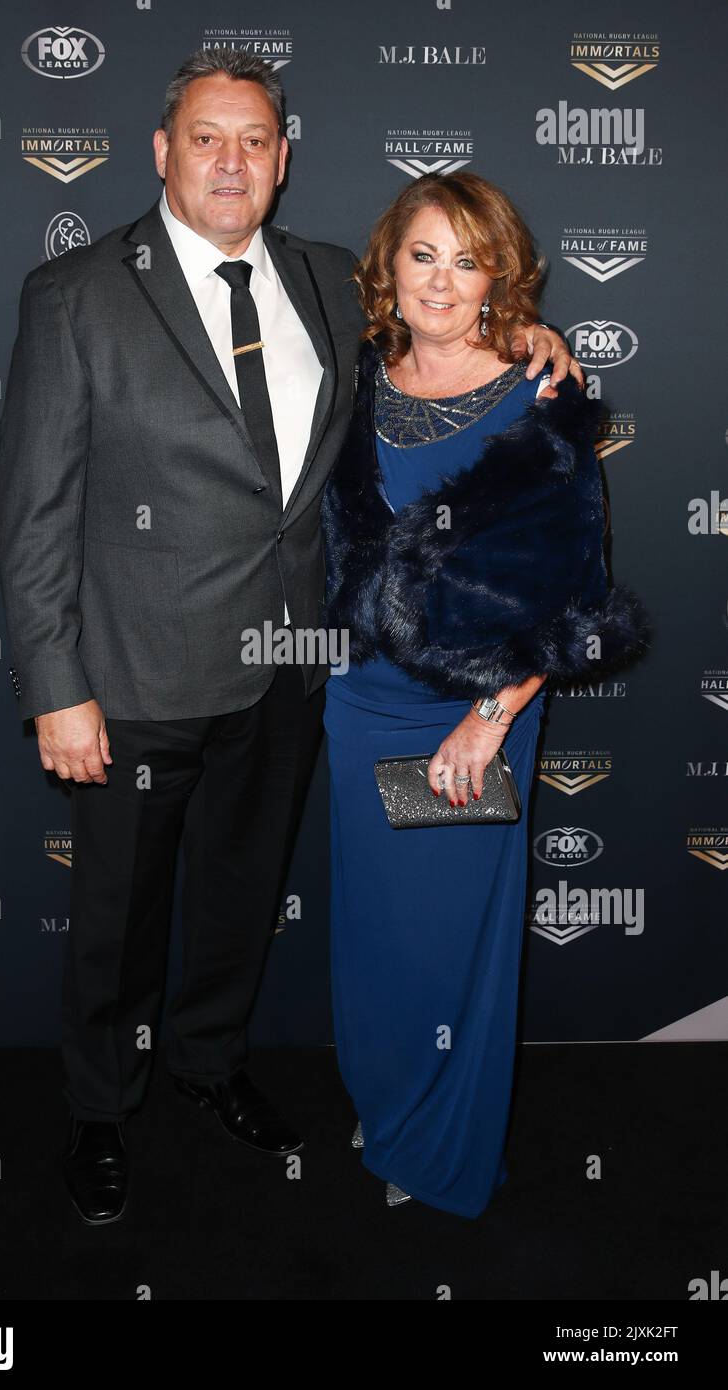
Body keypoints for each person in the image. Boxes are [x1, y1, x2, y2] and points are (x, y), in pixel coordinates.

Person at [0, 49, 576, 1227]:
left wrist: (533, 338)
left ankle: (208, 1065)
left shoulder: (323, 283)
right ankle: (101, 1111)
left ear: (282, 158)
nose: (229, 160)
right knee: (117, 918)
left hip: (297, 676)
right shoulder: (75, 293)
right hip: (137, 675)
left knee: (235, 895)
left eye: (253, 140)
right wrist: (56, 683)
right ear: (161, 151)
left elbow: (443, 345)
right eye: (206, 136)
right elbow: (35, 510)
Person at [321, 171, 649, 1217]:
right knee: (373, 929)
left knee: (444, 938)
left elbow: (577, 590)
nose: (440, 280)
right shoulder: (358, 375)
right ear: (388, 266)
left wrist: (490, 716)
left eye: (466, 260)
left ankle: (438, 1145)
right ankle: (387, 1099)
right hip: (359, 700)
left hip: (474, 714)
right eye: (422, 254)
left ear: (499, 277)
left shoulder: (540, 396)